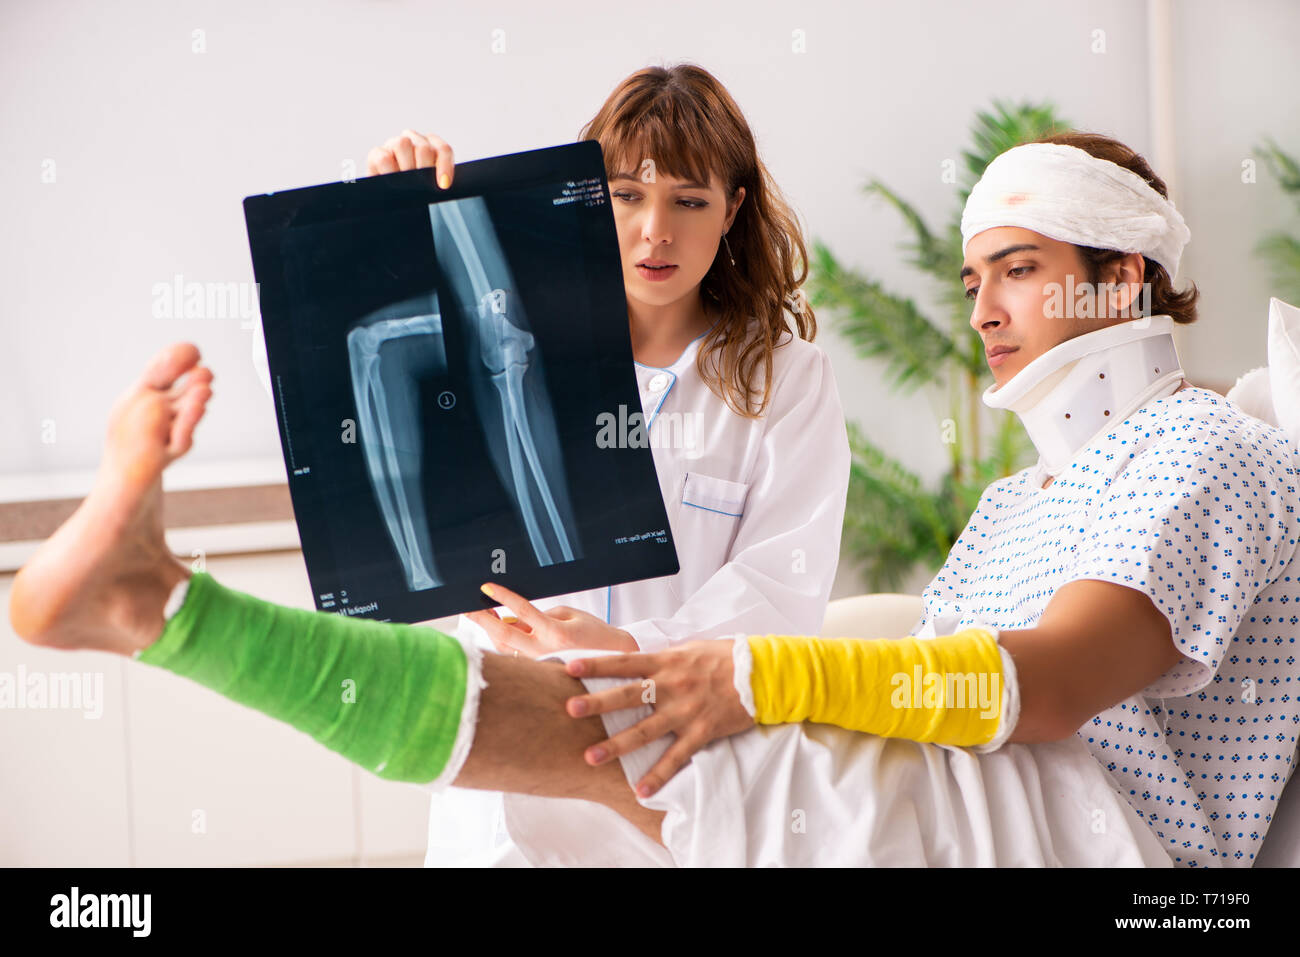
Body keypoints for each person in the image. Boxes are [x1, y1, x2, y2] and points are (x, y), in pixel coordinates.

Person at [13, 130, 1296, 867]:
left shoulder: (1200, 454)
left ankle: (161, 609)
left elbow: (1050, 684)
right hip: (1008, 781)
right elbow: (929, 646)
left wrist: (754, 677)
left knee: (641, 742)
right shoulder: (1032, 494)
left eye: (1015, 271)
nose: (981, 313)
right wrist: (653, 656)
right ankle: (157, 603)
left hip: (1111, 841)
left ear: (1122, 278)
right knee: (625, 716)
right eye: (974, 280)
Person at [361, 63, 851, 862]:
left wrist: (628, 652)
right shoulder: (504, 337)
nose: (656, 230)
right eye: (628, 194)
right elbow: (311, 388)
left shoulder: (785, 378)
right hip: (502, 766)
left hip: (676, 779)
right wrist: (379, 221)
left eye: (689, 200)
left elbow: (783, 587)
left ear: (732, 209)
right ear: (589, 197)